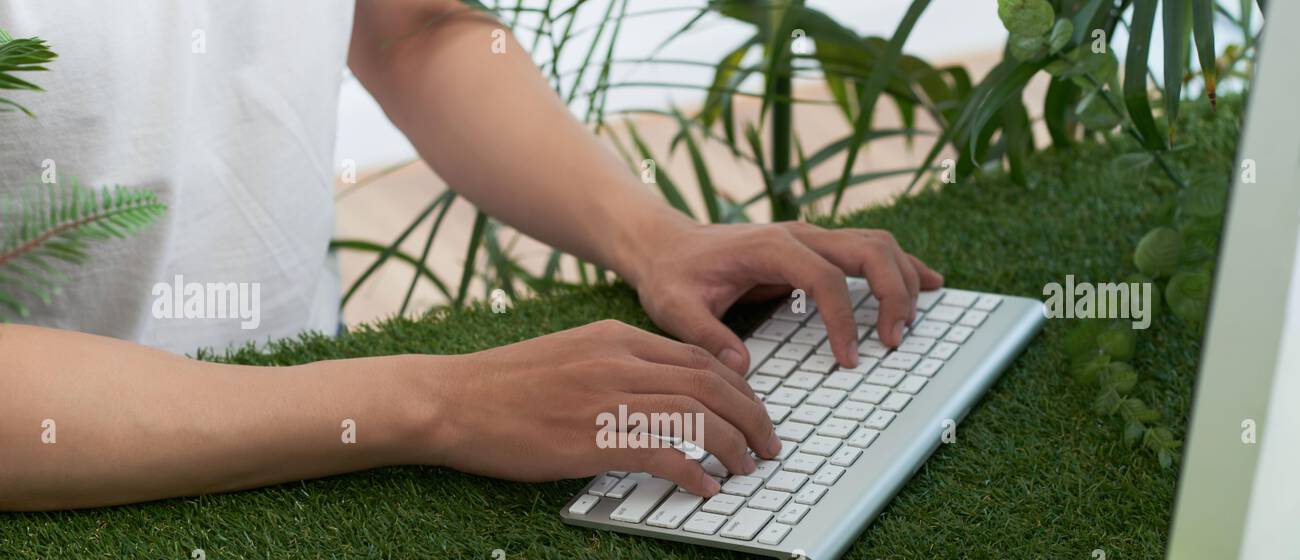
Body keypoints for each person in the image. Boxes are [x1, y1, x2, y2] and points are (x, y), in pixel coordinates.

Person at [0, 0, 942, 511]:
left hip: (310, 398)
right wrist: (440, 402)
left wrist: (654, 235)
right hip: (76, 490)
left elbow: (409, 29)